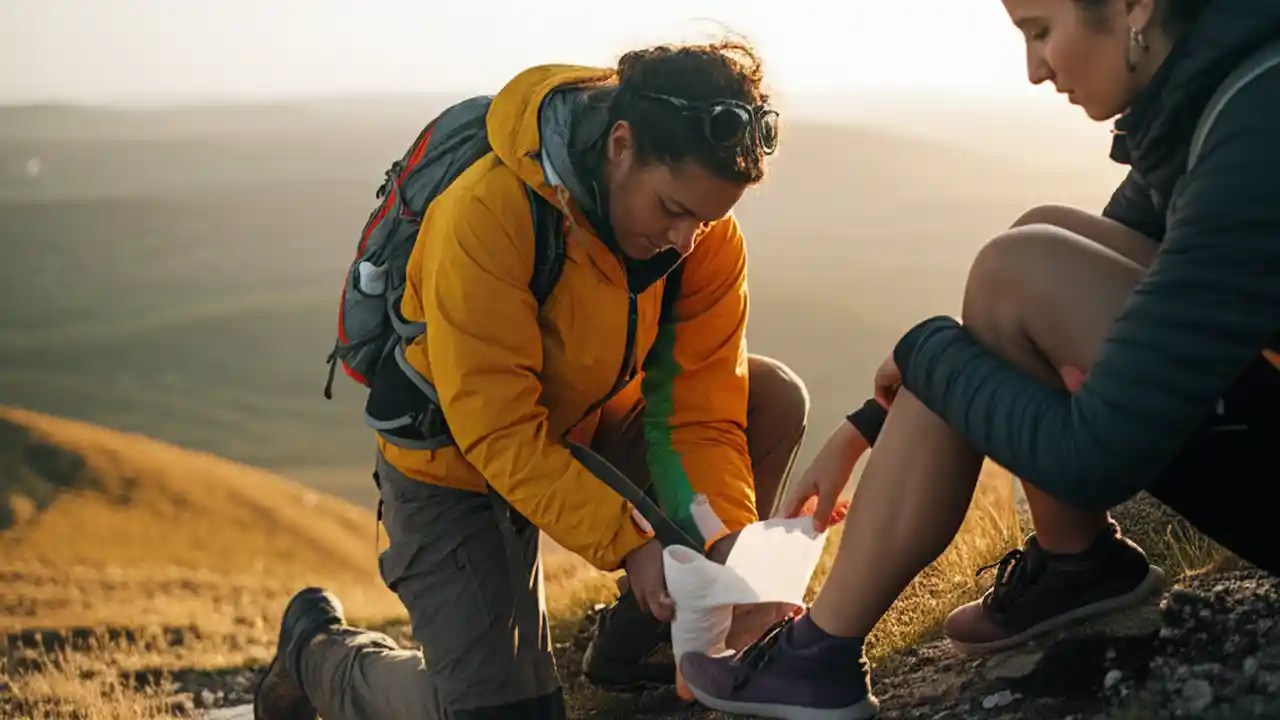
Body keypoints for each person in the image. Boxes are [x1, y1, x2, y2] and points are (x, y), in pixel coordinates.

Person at [678, 0, 1280, 717]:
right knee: (1035, 242)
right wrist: (864, 424)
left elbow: (1095, 457)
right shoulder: (1223, 92)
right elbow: (1068, 290)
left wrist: (923, 348)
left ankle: (817, 653)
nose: (1033, 70)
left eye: (1040, 32)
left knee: (1014, 267)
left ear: (1133, 7)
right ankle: (1074, 566)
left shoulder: (1256, 125)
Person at [252, 39, 809, 720]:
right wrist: (631, 541)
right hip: (454, 465)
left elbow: (700, 413)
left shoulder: (704, 238)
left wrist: (727, 545)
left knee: (769, 398)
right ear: (621, 145)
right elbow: (501, 431)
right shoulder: (487, 214)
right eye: (672, 209)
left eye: (709, 217)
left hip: (584, 432)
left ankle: (645, 646)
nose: (689, 238)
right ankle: (318, 655)